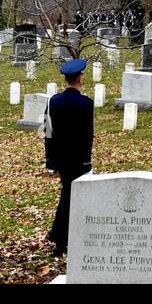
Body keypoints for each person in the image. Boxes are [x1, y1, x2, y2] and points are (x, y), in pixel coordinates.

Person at [44, 58, 95, 257]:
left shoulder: (53, 101)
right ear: (80, 79)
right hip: (78, 159)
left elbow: (48, 133)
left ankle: (62, 239)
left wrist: (50, 161)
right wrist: (86, 162)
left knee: (69, 194)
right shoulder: (85, 103)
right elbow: (86, 135)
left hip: (61, 158)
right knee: (71, 197)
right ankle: (59, 236)